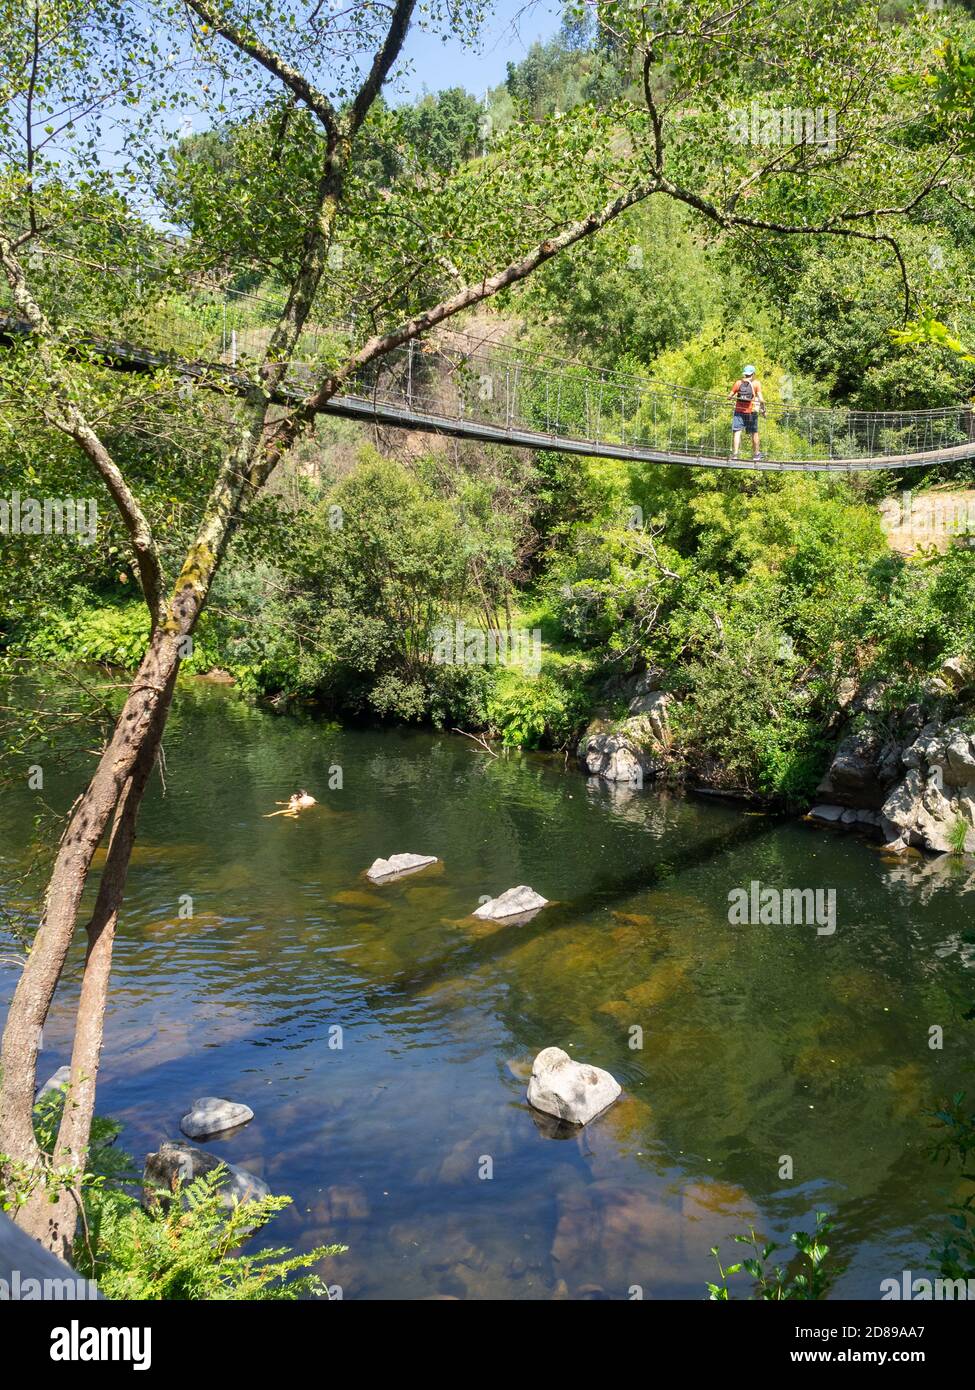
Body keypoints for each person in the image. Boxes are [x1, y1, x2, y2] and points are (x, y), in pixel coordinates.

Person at [728, 364, 765, 461]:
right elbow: (761, 399)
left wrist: (734, 397)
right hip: (751, 412)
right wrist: (763, 410)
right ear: (753, 374)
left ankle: (735, 454)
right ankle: (756, 455)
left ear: (744, 374)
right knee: (754, 433)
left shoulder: (738, 383)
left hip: (739, 411)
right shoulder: (756, 383)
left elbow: (729, 396)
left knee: (737, 432)